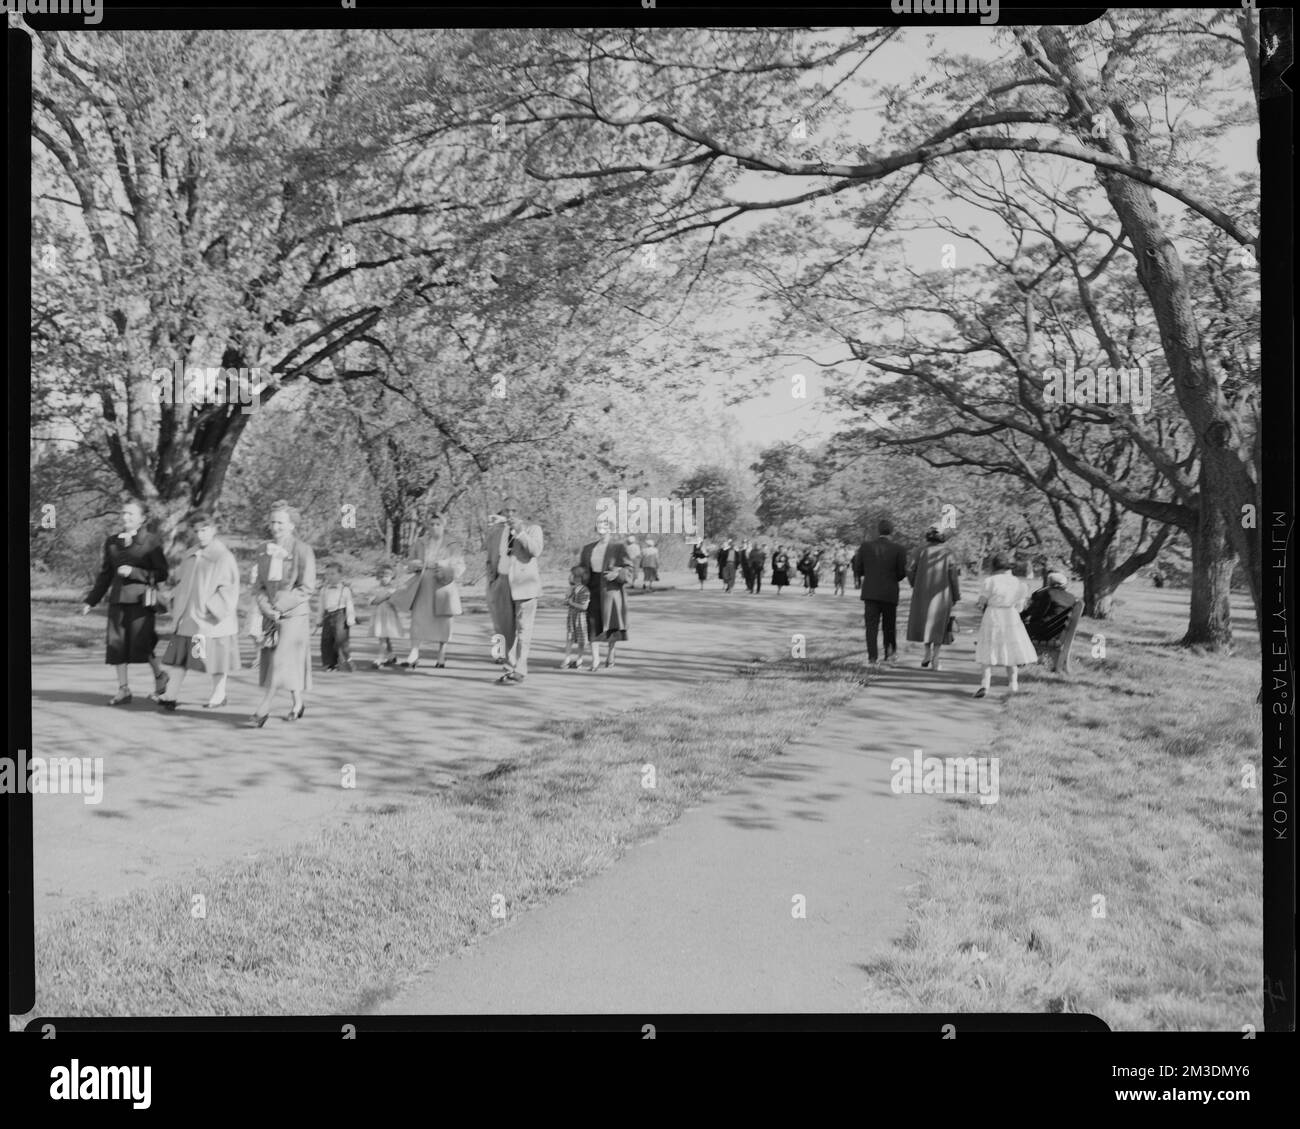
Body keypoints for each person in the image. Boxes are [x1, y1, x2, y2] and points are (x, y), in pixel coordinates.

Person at [82, 498, 171, 706]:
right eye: (123, 513)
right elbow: (105, 575)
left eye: (131, 514)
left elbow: (162, 573)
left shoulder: (151, 541)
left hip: (141, 602)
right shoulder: (112, 542)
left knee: (143, 643)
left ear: (142, 518)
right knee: (115, 644)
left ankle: (160, 676)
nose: (125, 517)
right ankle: (123, 689)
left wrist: (135, 572)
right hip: (118, 600)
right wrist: (91, 601)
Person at [156, 511, 241, 710]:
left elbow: (229, 589)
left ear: (213, 529)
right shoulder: (190, 554)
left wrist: (211, 608)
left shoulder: (222, 556)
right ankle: (171, 695)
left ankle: (219, 694)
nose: (201, 534)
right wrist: (173, 597)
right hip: (187, 618)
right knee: (180, 658)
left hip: (210, 622)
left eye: (205, 530)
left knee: (214, 660)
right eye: (197, 531)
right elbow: (182, 582)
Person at [248, 500, 316, 725]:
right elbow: (258, 586)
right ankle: (298, 702)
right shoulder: (262, 550)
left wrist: (279, 606)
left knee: (281, 662)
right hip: (271, 616)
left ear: (291, 525)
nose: (275, 527)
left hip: (294, 616)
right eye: (273, 522)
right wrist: (267, 608)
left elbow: (306, 588)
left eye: (280, 523)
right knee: (282, 662)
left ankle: (263, 708)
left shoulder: (303, 550)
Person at [486, 497, 543, 685]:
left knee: (523, 629)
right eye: (507, 511)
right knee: (504, 629)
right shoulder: (496, 533)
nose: (510, 515)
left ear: (521, 513)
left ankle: (520, 668)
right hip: (501, 583)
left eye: (514, 511)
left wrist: (520, 533)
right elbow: (490, 559)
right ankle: (509, 668)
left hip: (524, 584)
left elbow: (535, 551)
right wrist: (492, 582)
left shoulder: (532, 529)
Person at [401, 512, 466, 670]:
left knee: (443, 620)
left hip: (443, 584)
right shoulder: (420, 542)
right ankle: (414, 653)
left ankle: (441, 654)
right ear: (427, 526)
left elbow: (460, 565)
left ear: (444, 526)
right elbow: (409, 561)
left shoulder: (452, 543)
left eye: (438, 524)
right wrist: (414, 564)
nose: (434, 527)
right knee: (418, 618)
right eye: (431, 524)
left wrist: (448, 570)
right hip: (423, 582)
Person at [973, 554, 1039, 697]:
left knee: (987, 649)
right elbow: (1020, 607)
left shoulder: (989, 581)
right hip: (1010, 615)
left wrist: (980, 605)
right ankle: (1013, 685)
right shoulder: (1016, 582)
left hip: (993, 615)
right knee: (1011, 649)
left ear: (994, 567)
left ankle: (985, 685)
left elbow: (981, 602)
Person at [854, 519, 909, 669]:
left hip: (870, 591)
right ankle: (889, 654)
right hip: (889, 591)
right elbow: (901, 572)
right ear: (892, 531)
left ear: (878, 530)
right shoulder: (899, 549)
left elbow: (858, 567)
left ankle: (872, 657)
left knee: (871, 626)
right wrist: (893, 578)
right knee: (889, 625)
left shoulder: (865, 547)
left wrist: (868, 575)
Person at [906, 526, 961, 671]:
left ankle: (926, 654)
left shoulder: (919, 551)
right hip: (942, 594)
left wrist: (915, 584)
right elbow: (953, 576)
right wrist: (956, 595)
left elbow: (910, 569)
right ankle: (936, 657)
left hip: (922, 592)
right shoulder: (948, 553)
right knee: (938, 625)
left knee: (925, 623)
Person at [579, 517, 630, 669]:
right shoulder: (588, 548)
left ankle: (611, 651)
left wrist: (618, 574)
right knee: (592, 622)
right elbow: (582, 568)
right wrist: (577, 578)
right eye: (599, 527)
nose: (602, 530)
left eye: (605, 527)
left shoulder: (618, 547)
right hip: (592, 586)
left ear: (611, 529)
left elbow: (630, 569)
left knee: (611, 622)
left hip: (611, 588)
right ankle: (595, 660)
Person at [319, 561, 357, 672]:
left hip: (340, 615)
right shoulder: (324, 590)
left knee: (340, 640)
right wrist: (319, 618)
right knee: (326, 640)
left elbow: (349, 604)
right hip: (328, 615)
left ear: (340, 575)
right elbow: (321, 605)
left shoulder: (345, 590)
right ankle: (330, 663)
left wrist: (350, 618)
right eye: (327, 574)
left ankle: (347, 660)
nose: (329, 576)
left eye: (332, 573)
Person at [1021, 571, 1079, 644]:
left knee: (1017, 627)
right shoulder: (1072, 597)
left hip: (1044, 630)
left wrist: (1023, 617)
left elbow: (1038, 613)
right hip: (1058, 632)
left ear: (1049, 582)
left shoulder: (1047, 593)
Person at [368, 564, 404, 669]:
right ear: (378, 577)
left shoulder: (394, 589)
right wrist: (386, 596)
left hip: (389, 616)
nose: (384, 579)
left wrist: (393, 595)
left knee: (383, 638)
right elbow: (374, 601)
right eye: (382, 576)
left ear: (392, 576)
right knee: (384, 637)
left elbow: (398, 602)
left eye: (387, 576)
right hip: (379, 615)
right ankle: (391, 656)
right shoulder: (375, 589)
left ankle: (380, 658)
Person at [561, 565, 593, 670]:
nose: (571, 577)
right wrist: (567, 599)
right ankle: (567, 658)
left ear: (579, 577)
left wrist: (571, 602)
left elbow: (584, 606)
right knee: (569, 637)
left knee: (581, 639)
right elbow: (566, 602)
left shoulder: (585, 590)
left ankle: (579, 659)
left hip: (581, 617)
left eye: (574, 575)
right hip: (571, 616)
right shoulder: (571, 589)